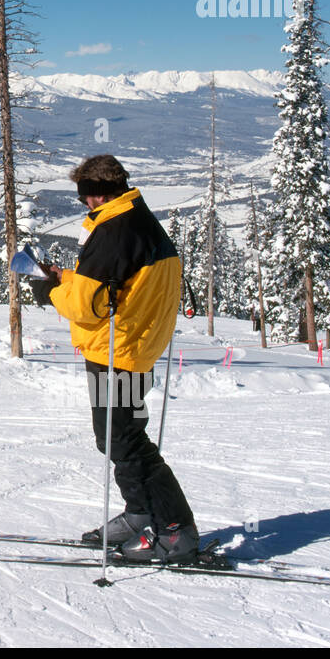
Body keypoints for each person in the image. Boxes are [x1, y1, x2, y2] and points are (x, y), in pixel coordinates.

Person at [32, 154, 197, 564]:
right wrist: (66, 279)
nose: (84, 205)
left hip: (117, 349)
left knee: (125, 441)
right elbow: (111, 285)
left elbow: (88, 306)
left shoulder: (113, 230)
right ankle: (140, 511)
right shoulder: (136, 219)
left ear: (95, 194)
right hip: (132, 344)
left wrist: (50, 291)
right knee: (116, 436)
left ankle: (176, 530)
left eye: (84, 198)